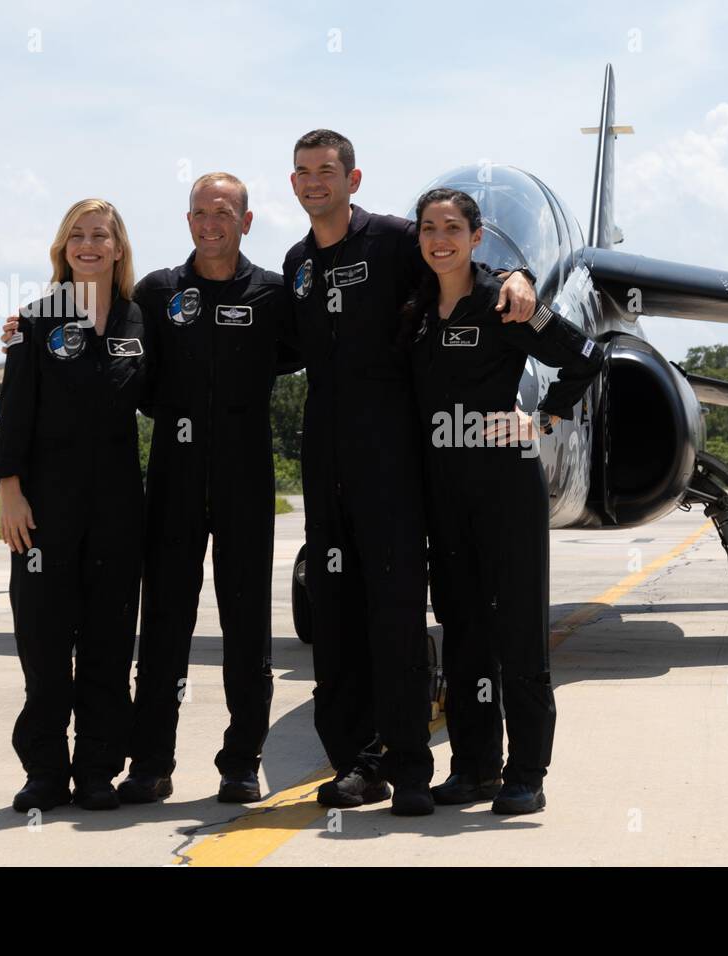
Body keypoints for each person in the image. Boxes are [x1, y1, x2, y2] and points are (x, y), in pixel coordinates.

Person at [3, 173, 301, 805]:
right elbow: (102, 360)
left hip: (246, 482)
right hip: (172, 480)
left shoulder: (274, 295)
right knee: (163, 625)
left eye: (223, 213)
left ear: (245, 222)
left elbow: (326, 350)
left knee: (247, 626)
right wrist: (23, 332)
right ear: (186, 219)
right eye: (199, 212)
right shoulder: (159, 295)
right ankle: (150, 761)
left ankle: (241, 760)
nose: (210, 223)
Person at [282, 130, 536, 815]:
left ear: (352, 178)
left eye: (326, 171)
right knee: (334, 625)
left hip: (394, 468)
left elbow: (461, 276)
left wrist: (522, 278)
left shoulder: (395, 240)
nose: (314, 182)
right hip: (325, 469)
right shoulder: (297, 262)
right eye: (302, 172)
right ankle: (358, 765)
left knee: (396, 622)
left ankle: (412, 769)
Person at [405, 188, 604, 814]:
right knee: (463, 631)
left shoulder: (508, 301)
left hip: (504, 486)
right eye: (430, 228)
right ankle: (473, 769)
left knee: (517, 630)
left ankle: (526, 774)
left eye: (453, 228)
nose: (441, 239)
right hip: (444, 490)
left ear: (476, 234)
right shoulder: (411, 308)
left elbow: (587, 357)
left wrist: (541, 420)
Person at [0, 198, 148, 812]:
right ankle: (45, 773)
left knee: (110, 644)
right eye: (76, 236)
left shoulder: (142, 321)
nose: (88, 245)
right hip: (44, 510)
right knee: (45, 644)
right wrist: (9, 487)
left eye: (100, 235)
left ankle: (95, 772)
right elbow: (16, 410)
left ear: (118, 247)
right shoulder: (35, 321)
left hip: (117, 507)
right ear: (63, 248)